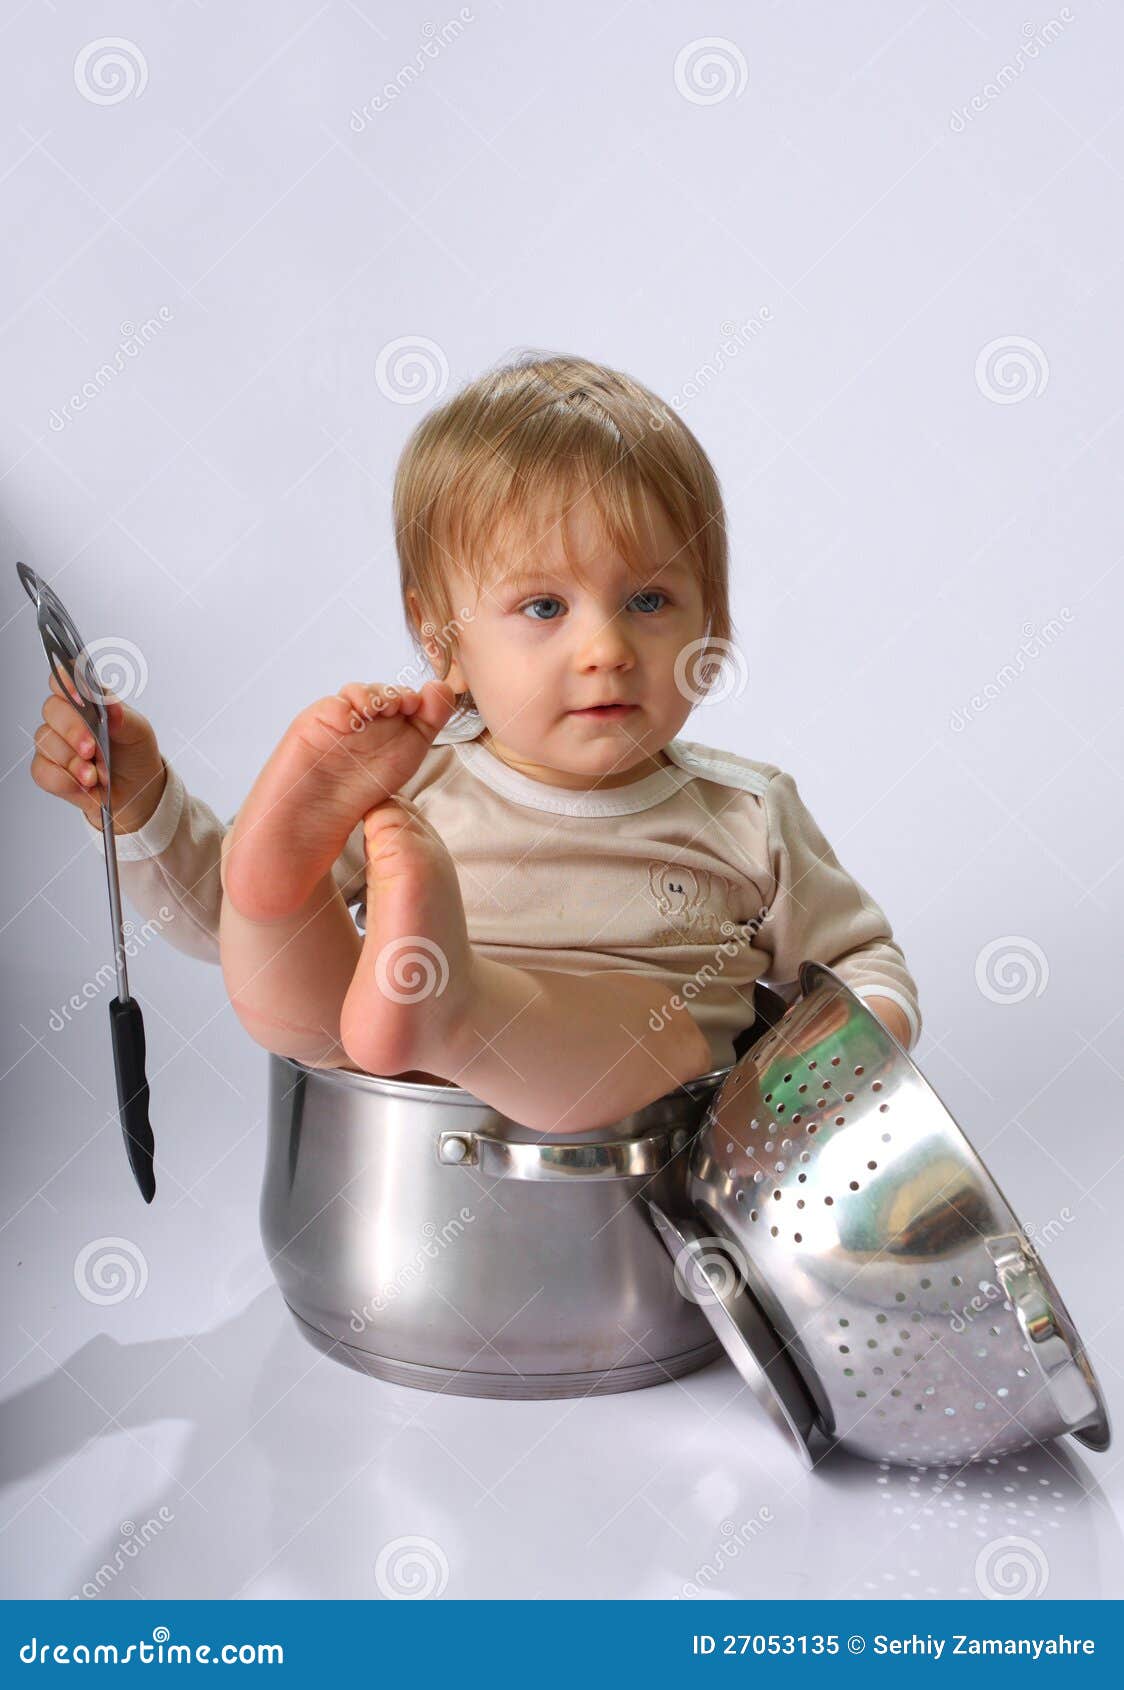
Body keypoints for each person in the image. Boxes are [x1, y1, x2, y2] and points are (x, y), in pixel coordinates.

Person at [30, 353, 921, 1135]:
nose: (606, 650)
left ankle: (443, 1003)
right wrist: (142, 802)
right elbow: (203, 929)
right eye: (544, 608)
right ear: (444, 641)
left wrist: (843, 1052)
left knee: (646, 1026)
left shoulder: (746, 812)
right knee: (302, 991)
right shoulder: (412, 790)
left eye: (649, 602)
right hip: (398, 1096)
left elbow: (857, 958)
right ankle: (279, 899)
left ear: (714, 625)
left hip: (615, 1069)